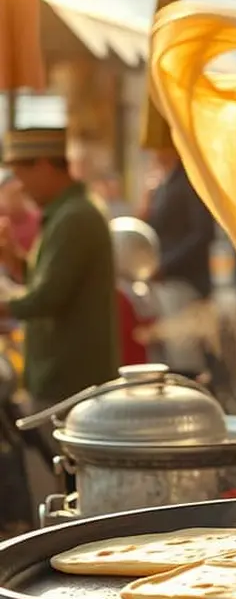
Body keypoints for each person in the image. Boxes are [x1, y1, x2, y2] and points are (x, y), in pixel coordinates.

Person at [0, 129, 120, 412]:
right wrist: (14, 259)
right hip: (61, 378)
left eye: (21, 175)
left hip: (70, 382)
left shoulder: (76, 217)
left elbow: (47, 298)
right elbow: (46, 283)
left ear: (43, 165)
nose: (20, 186)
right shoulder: (64, 214)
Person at [141, 146, 217, 378]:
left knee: (186, 356)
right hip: (166, 281)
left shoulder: (189, 180)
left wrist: (166, 266)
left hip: (184, 281)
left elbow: (201, 233)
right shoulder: (165, 181)